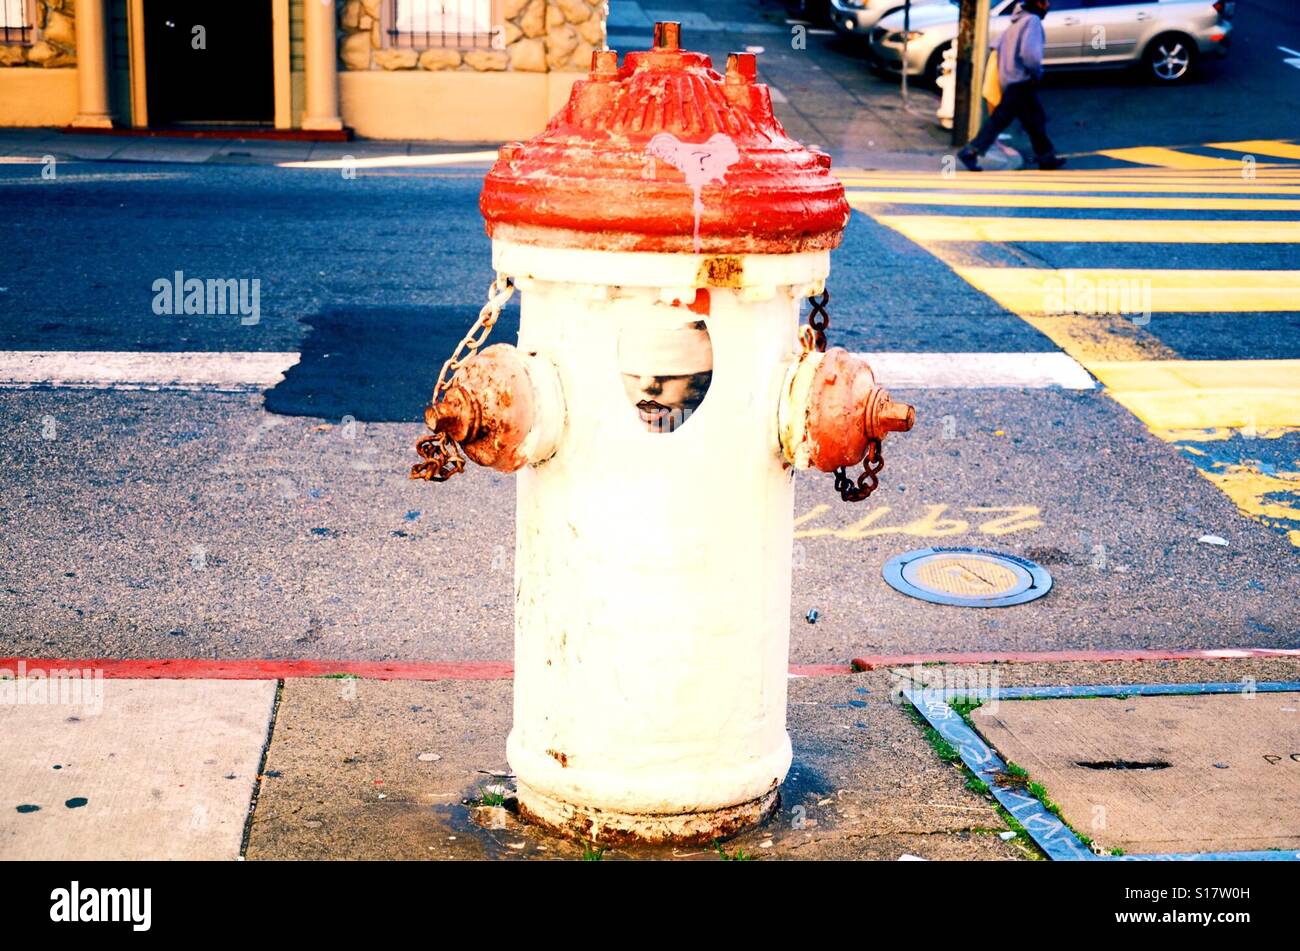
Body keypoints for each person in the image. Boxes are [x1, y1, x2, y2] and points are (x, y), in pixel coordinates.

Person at [957, 0, 1066, 171]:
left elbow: (996, 46)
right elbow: (1030, 54)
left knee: (1034, 119)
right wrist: (1036, 72)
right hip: (1021, 80)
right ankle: (971, 151)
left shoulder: (1016, 23)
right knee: (1002, 120)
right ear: (1038, 3)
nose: (1048, 6)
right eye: (1045, 2)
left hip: (1011, 79)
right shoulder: (1032, 21)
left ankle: (1046, 157)